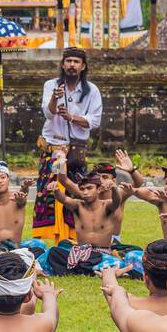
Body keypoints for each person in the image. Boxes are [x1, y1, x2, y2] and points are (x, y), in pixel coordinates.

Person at [33, 47, 102, 246]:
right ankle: (51, 239)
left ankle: (74, 236)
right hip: (53, 150)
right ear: (63, 65)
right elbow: (48, 113)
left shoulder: (92, 90)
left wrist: (71, 117)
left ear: (83, 66)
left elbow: (94, 121)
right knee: (51, 192)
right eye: (68, 61)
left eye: (76, 62)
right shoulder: (51, 85)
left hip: (74, 152)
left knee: (75, 191)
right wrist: (55, 97)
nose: (72, 65)